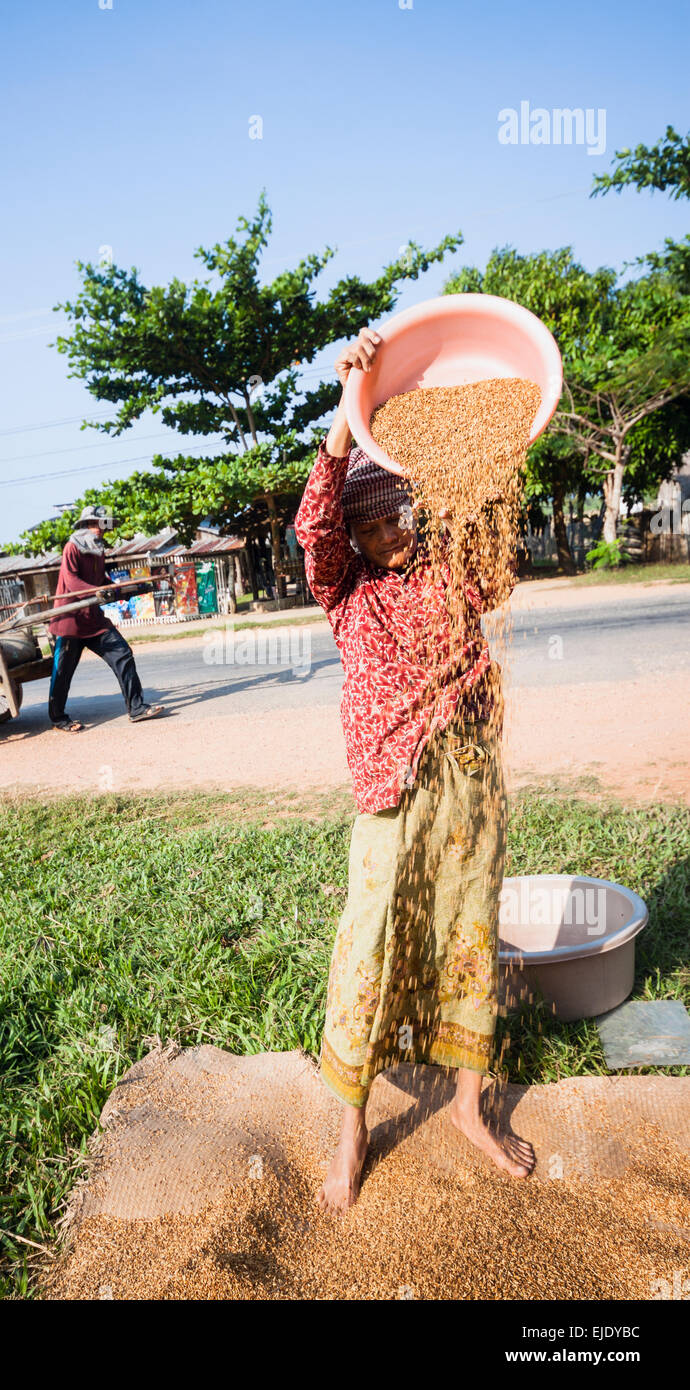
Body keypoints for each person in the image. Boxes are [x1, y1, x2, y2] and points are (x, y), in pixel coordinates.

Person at [294, 327, 535, 1215]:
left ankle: (469, 1107)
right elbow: (311, 522)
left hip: (468, 776)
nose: (386, 530)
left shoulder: (454, 572)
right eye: (369, 520)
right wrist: (347, 412)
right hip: (391, 791)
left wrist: (489, 445)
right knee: (371, 943)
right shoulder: (344, 588)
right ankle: (351, 1131)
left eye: (398, 513)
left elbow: (495, 545)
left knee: (471, 925)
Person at [47, 505, 164, 731]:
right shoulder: (72, 547)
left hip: (93, 619)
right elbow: (72, 582)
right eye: (94, 524)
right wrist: (98, 591)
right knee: (62, 672)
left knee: (123, 653)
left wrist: (125, 589)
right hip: (69, 620)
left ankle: (137, 708)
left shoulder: (99, 551)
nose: (99, 529)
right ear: (84, 525)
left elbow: (101, 582)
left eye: (102, 524)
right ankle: (58, 718)